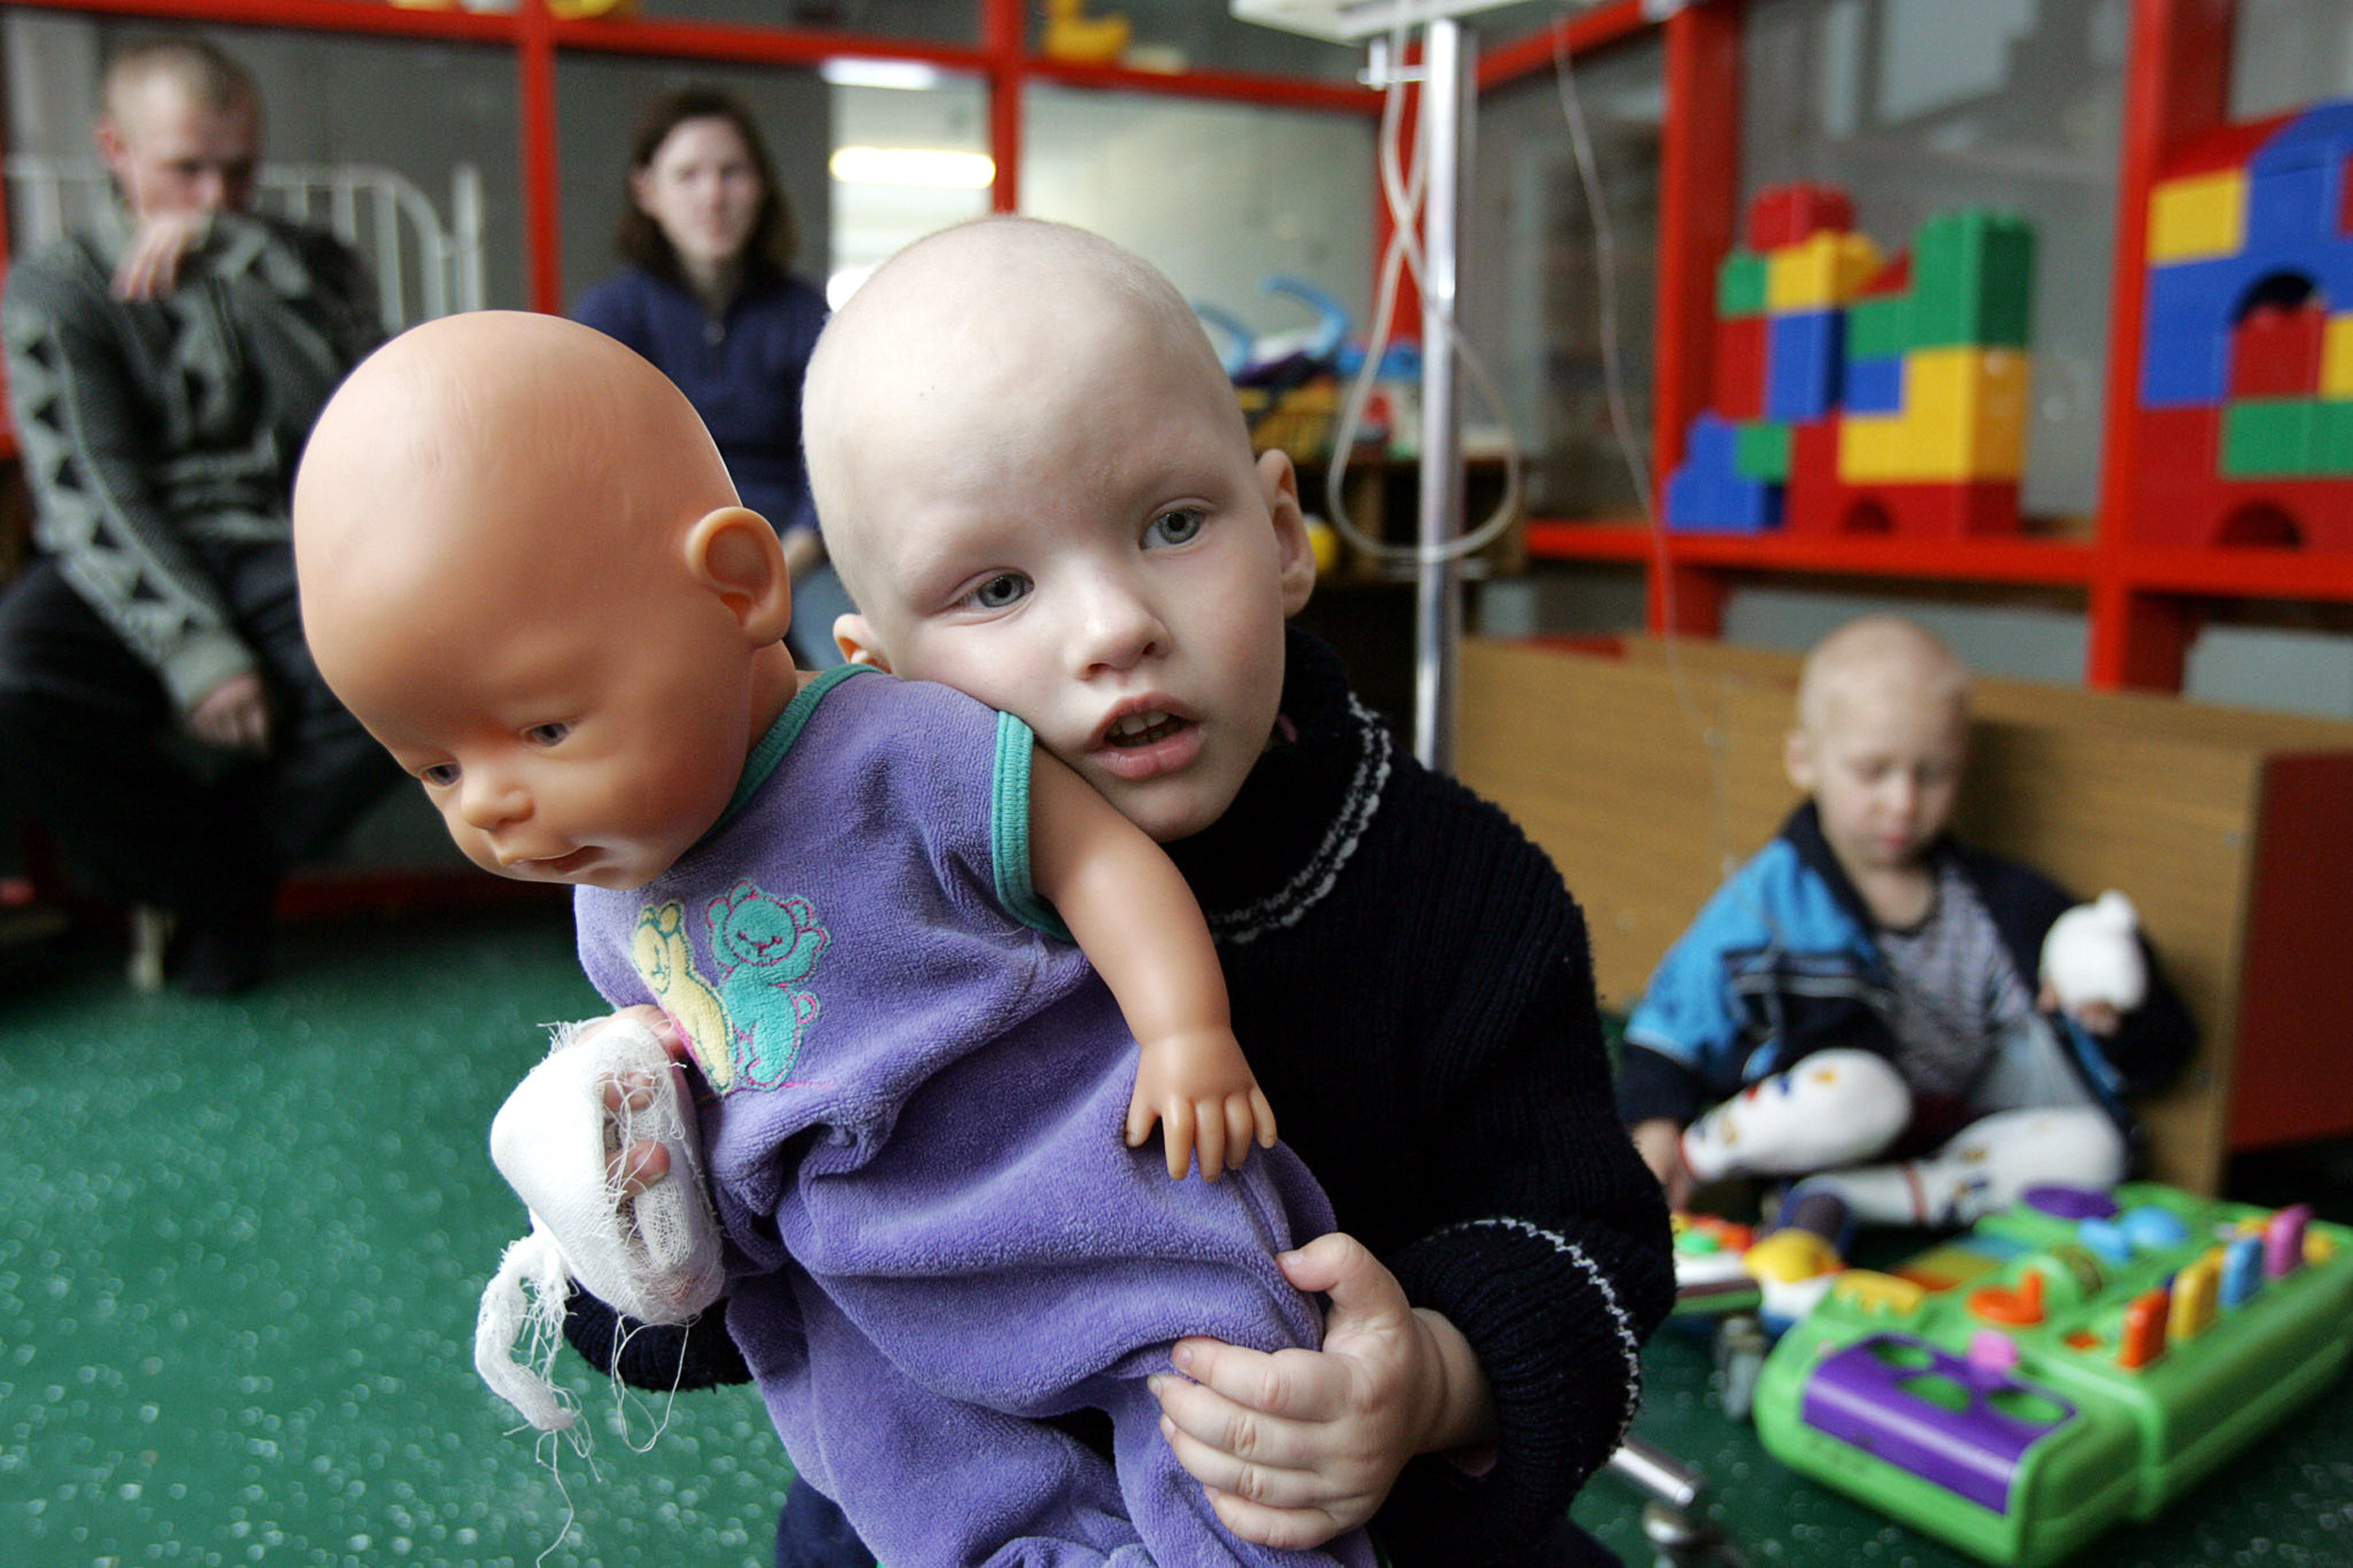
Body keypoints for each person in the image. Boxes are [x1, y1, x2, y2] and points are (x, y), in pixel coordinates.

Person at [625, 215, 1666, 1568]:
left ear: (1285, 534)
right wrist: (647, 1209)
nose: (1114, 625)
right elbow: (746, 1291)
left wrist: (1430, 1378)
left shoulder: (1459, 891)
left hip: (1347, 1497)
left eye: (1174, 523)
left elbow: (1594, 1241)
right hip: (948, 1508)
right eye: (997, 586)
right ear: (880, 676)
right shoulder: (815, 917)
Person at [291, 308, 1373, 1568]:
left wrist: (1184, 1028)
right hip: (857, 1283)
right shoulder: (610, 889)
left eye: (541, 730)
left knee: (1232, 1425)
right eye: (432, 766)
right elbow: (698, 1075)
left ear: (740, 588)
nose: (493, 807)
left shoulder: (895, 746)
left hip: (1079, 1199)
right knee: (899, 1477)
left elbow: (1091, 854)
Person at [0, 36, 398, 994]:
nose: (217, 198)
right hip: (129, 552)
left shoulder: (314, 262)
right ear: (115, 149)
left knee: (398, 678)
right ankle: (221, 884)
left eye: (240, 170)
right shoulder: (56, 287)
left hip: (289, 537)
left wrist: (246, 264)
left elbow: (373, 406)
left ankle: (219, 874)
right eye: (186, 169)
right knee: (12, 689)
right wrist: (196, 649)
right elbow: (95, 493)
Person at [1618, 615, 2198, 1225]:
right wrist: (1656, 1129)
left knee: (2098, 1148)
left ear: (1962, 762)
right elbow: (1671, 1027)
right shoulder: (1767, 901)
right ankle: (1700, 1157)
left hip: (1954, 1137)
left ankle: (1849, 1200)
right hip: (1833, 1116)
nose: (1903, 802)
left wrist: (2106, 1009)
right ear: (1804, 760)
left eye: (1933, 773)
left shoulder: (1999, 903)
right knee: (1858, 1090)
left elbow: (2149, 1047)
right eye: (1872, 772)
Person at [571, 88, 847, 670]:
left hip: (797, 555)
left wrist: (787, 556)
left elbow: (834, 455)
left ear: (762, 186)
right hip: (659, 562)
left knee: (854, 668)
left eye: (732, 172)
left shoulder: (803, 312)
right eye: (688, 175)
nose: (713, 195)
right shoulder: (610, 318)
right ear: (647, 191)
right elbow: (590, 467)